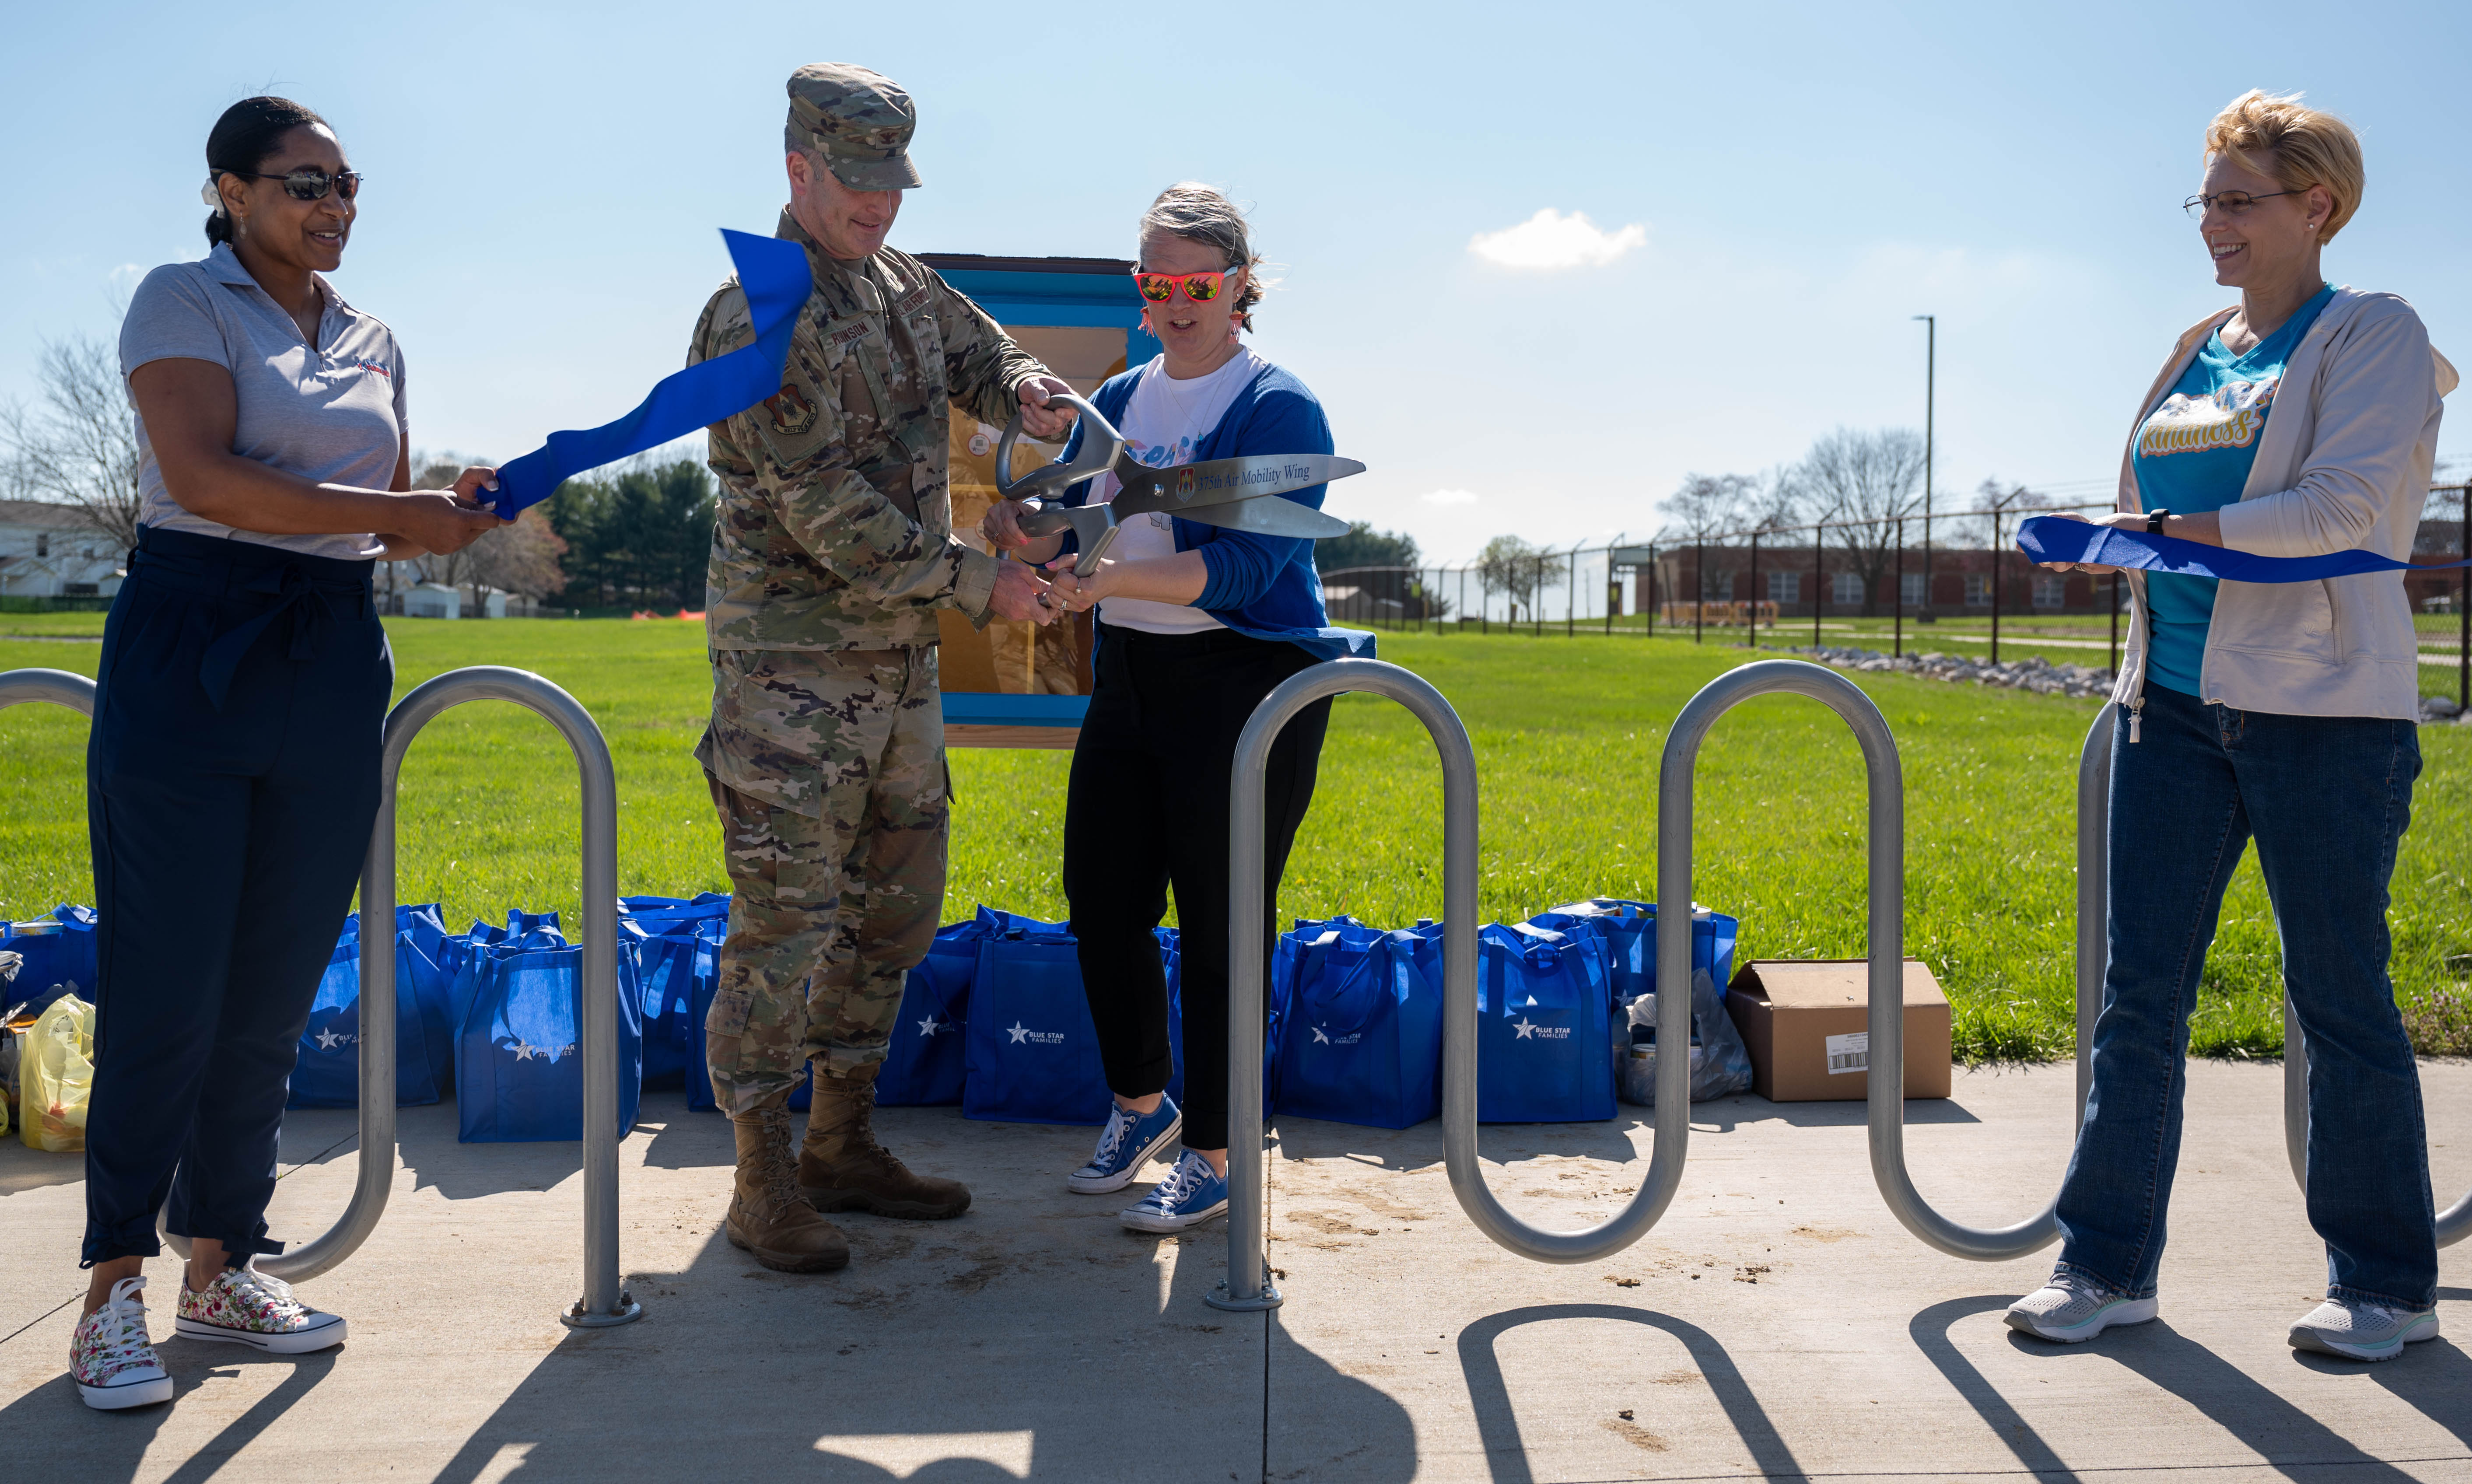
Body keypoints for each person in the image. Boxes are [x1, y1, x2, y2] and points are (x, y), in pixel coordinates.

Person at [70, 96, 505, 1411]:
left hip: (327, 652)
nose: (333, 204)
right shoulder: (182, 298)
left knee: (270, 992)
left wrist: (449, 516)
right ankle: (108, 1294)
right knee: (169, 992)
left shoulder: (374, 335)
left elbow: (379, 523)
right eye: (302, 182)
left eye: (346, 181)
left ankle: (223, 1265)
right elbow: (202, 477)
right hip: (194, 640)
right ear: (230, 190)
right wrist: (395, 513)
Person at [2014, 90, 2454, 1362]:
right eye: (2205, 200)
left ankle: (2384, 1283)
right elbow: (2160, 513)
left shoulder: (2370, 334)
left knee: (2337, 997)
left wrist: (2152, 537)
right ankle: (2105, 1267)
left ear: (2317, 207)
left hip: (2321, 716)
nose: (2213, 223)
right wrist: (2110, 544)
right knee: (2135, 999)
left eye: (2239, 200)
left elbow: (2344, 517)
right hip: (2174, 710)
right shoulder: (2198, 347)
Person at [690, 63, 1072, 1274]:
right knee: (785, 924)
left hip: (897, 677)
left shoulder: (904, 285)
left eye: (892, 180)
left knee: (890, 914)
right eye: (856, 180)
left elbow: (978, 349)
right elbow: (825, 514)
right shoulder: (755, 311)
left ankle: (841, 1144)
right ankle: (759, 1180)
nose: (878, 204)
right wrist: (979, 581)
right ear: (797, 169)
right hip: (791, 683)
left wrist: (1024, 388)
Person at [982, 183, 1372, 1232]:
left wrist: (1103, 584)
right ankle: (1140, 1106)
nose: (1177, 301)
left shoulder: (1277, 407)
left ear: (1242, 286)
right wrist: (1033, 539)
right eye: (1157, 282)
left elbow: (1247, 570)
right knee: (1101, 901)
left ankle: (1218, 1148)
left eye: (1199, 282)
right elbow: (1080, 520)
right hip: (1134, 680)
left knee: (1220, 926)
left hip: (1243, 685)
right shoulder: (1121, 392)